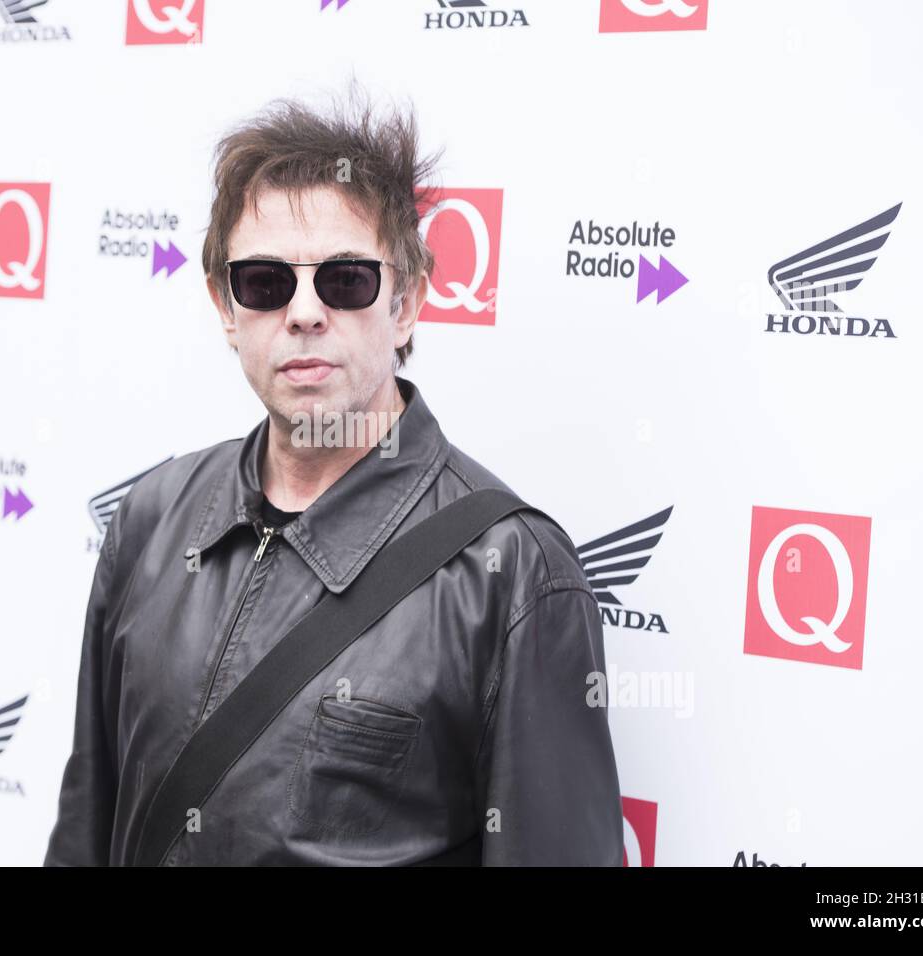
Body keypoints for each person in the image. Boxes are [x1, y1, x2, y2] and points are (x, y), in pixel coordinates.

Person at [44, 84, 622, 866]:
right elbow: (87, 828)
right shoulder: (151, 520)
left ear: (408, 301)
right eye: (265, 282)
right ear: (225, 306)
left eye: (346, 279)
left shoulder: (513, 576)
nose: (305, 312)